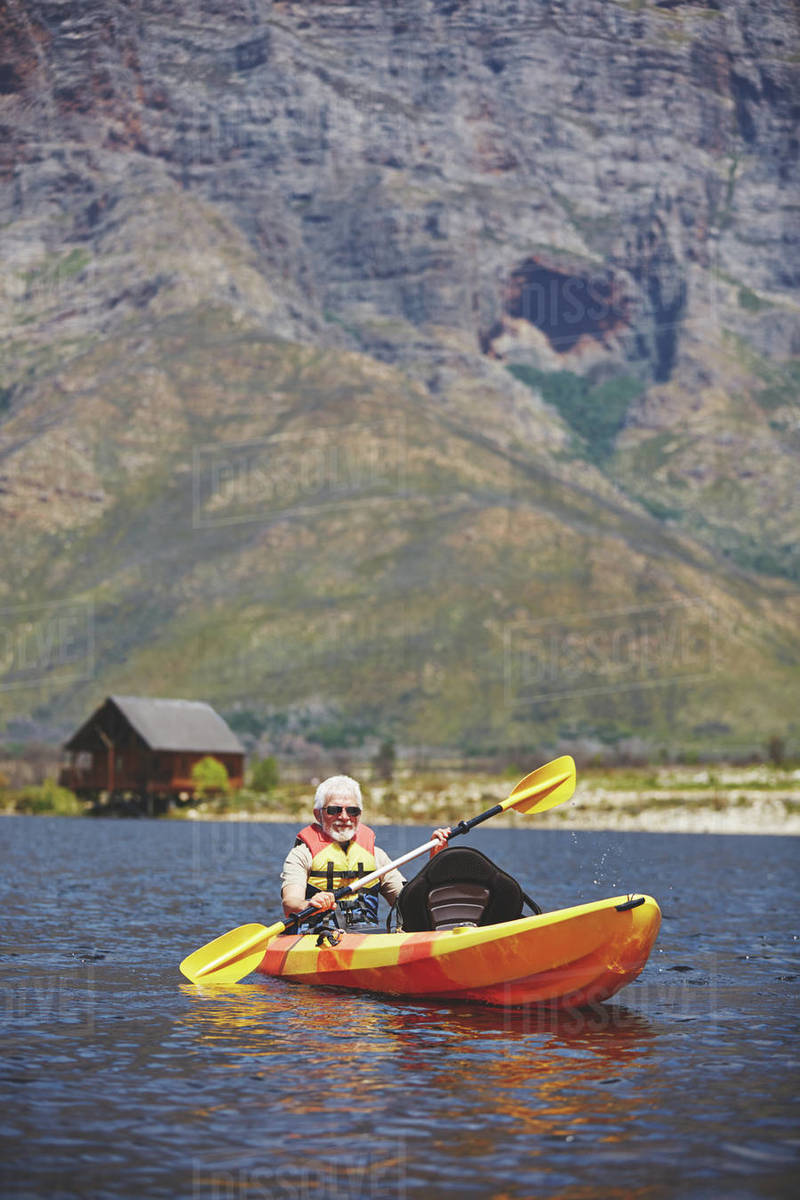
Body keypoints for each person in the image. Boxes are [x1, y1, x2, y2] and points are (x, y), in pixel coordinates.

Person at [281, 774, 449, 930]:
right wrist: (309, 904)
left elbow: (410, 903)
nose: (345, 817)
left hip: (367, 937)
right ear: (318, 815)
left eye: (353, 811)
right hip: (316, 937)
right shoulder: (302, 855)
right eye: (335, 810)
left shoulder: (377, 856)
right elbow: (290, 904)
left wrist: (436, 859)